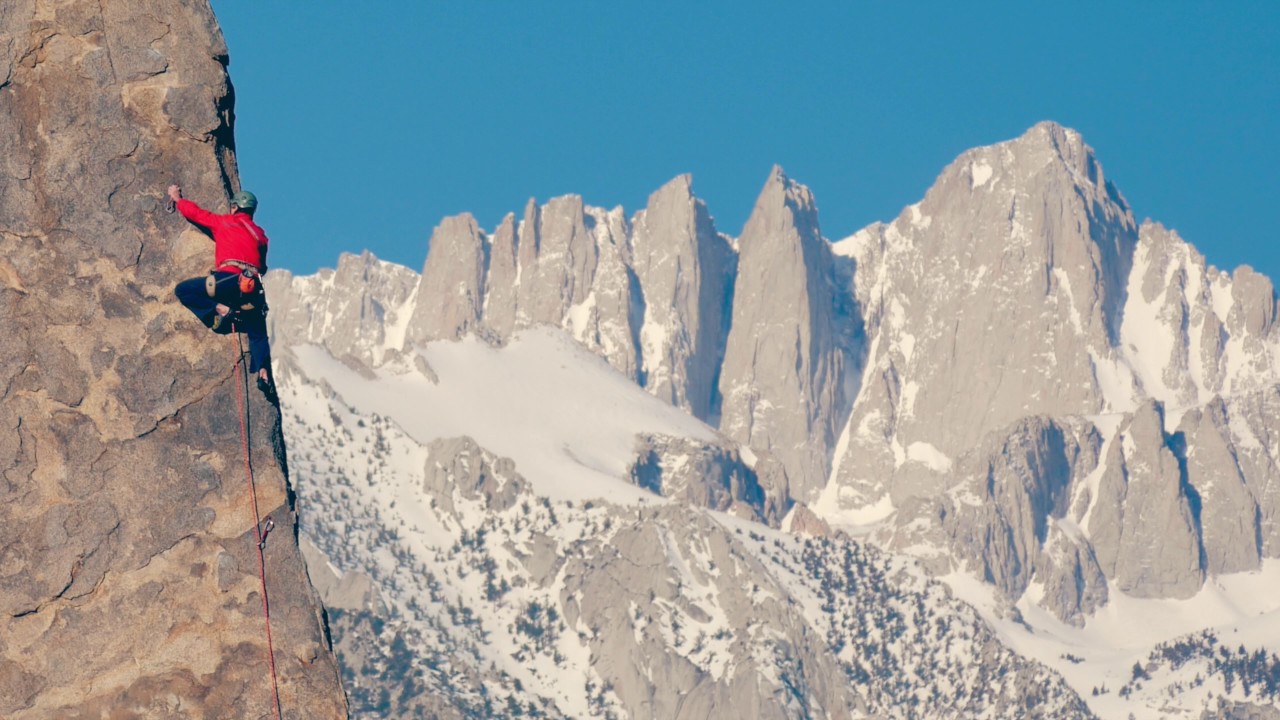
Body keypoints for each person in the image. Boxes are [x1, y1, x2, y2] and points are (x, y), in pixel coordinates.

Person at [169, 184, 275, 396]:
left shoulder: (226, 222)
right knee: (257, 331)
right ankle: (263, 371)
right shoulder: (260, 235)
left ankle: (221, 310)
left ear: (235, 207)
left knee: (184, 290)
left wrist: (177, 198)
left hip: (227, 281)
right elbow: (262, 267)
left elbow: (197, 214)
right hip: (252, 288)